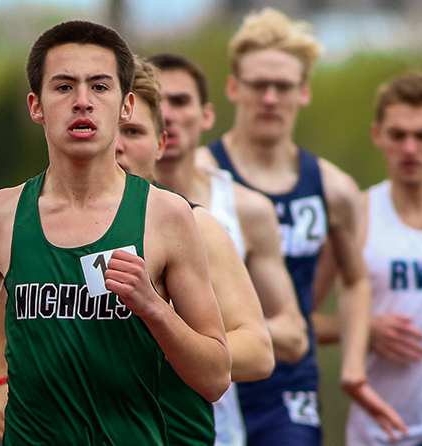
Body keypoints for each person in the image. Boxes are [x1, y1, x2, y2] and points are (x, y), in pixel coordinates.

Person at [0, 20, 231, 446]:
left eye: (100, 87)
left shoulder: (166, 215)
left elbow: (215, 377)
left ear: (126, 106)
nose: (82, 102)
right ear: (36, 106)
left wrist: (154, 309)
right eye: (64, 87)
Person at [0, 56, 270, 446]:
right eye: (106, 128)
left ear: (160, 144)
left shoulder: (195, 225)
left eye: (132, 132)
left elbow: (258, 351)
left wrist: (155, 332)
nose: (115, 145)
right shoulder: (42, 224)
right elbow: (2, 316)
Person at [194, 7, 406, 445]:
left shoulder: (332, 187)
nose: (271, 98)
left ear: (304, 91)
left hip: (289, 381)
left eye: (284, 86)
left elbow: (355, 280)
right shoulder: (198, 174)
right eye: (258, 85)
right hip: (215, 370)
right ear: (234, 88)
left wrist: (352, 364)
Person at [147, 52, 309, 446]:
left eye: (180, 101)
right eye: (156, 103)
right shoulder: (89, 213)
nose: (167, 114)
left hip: (216, 427)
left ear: (206, 115)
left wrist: (189, 336)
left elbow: (292, 336)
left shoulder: (242, 208)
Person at [316, 71, 422, 446]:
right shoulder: (356, 214)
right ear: (377, 135)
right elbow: (301, 321)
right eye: (398, 135)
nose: (410, 149)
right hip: (379, 430)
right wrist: (362, 329)